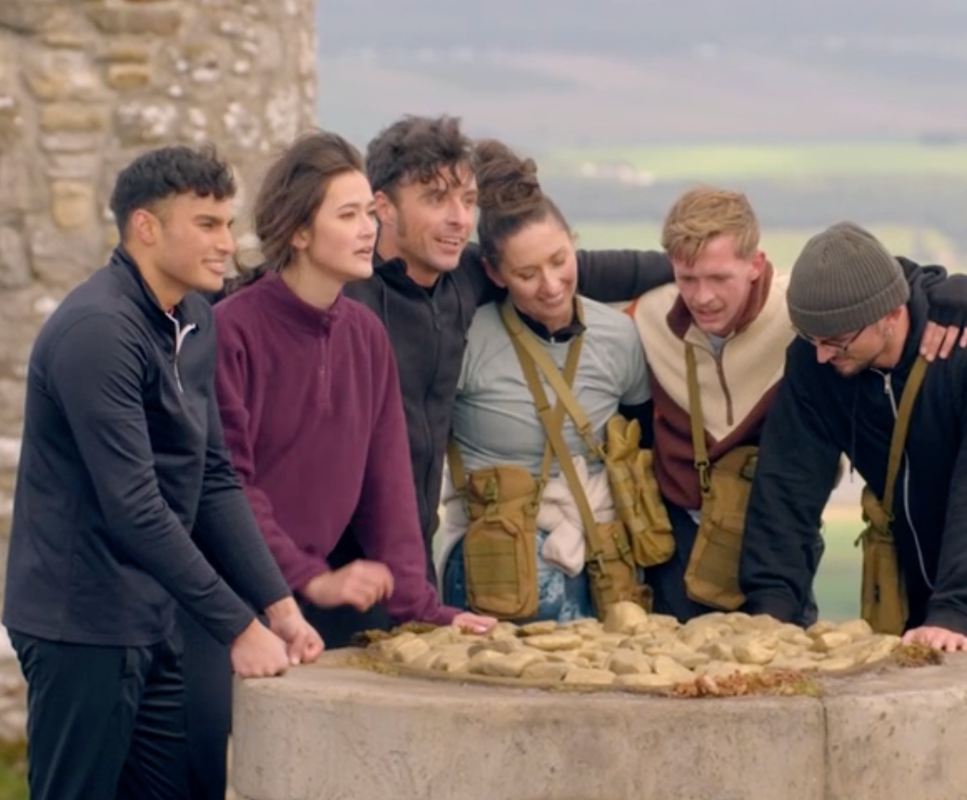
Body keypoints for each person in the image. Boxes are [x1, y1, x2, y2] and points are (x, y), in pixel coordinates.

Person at [2, 145, 324, 800]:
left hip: (156, 618)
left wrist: (279, 605)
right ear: (146, 227)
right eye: (207, 224)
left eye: (228, 225)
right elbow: (135, 507)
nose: (227, 244)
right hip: (78, 624)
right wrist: (238, 625)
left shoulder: (193, 318)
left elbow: (211, 476)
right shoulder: (98, 331)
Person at [182, 131, 495, 800]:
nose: (368, 229)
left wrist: (425, 609)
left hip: (304, 604)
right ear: (298, 230)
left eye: (369, 213)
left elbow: (389, 493)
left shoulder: (364, 336)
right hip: (218, 606)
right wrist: (305, 580)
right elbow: (229, 484)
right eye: (347, 214)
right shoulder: (231, 331)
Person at [740, 222, 967, 800]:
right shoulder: (817, 360)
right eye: (813, 339)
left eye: (838, 340)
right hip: (926, 606)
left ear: (888, 313)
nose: (824, 355)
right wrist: (770, 611)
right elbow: (786, 488)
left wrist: (955, 611)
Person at [343, 116, 674, 580]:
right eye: (436, 199)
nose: (460, 218)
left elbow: (576, 270)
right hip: (330, 561)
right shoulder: (343, 292)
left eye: (468, 200)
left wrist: (691, 270)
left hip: (409, 557)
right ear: (384, 207)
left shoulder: (462, 275)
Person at [632, 188, 967, 621]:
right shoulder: (644, 314)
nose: (702, 297)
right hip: (676, 546)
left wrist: (948, 286)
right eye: (688, 279)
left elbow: (872, 286)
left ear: (755, 265)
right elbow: (565, 279)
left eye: (720, 278)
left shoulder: (802, 315)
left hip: (779, 540)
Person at [439, 139, 653, 621]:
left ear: (574, 243)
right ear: (494, 273)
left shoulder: (620, 338)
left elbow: (645, 443)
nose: (552, 285)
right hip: (495, 550)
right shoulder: (467, 341)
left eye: (560, 261)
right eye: (528, 273)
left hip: (600, 545)